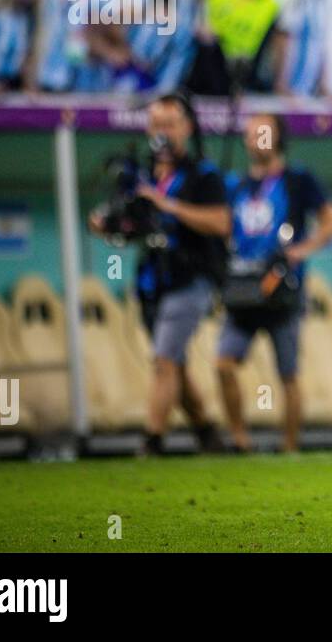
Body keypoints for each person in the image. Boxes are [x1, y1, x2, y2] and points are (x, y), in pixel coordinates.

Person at [88, 93, 230, 455]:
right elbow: (130, 226)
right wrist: (109, 224)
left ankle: (152, 441)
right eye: (156, 124)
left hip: (191, 277)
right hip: (153, 280)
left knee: (163, 358)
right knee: (175, 366)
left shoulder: (204, 174)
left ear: (187, 127)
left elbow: (221, 222)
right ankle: (207, 431)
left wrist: (168, 204)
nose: (163, 132)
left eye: (170, 124)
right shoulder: (140, 174)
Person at [217, 113, 332, 453]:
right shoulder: (236, 186)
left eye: (263, 133)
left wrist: (300, 251)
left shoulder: (298, 180)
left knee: (288, 372)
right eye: (250, 133)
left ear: (278, 139)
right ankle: (240, 440)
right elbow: (225, 229)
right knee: (224, 364)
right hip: (243, 288)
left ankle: (290, 446)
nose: (254, 139)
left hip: (283, 289)